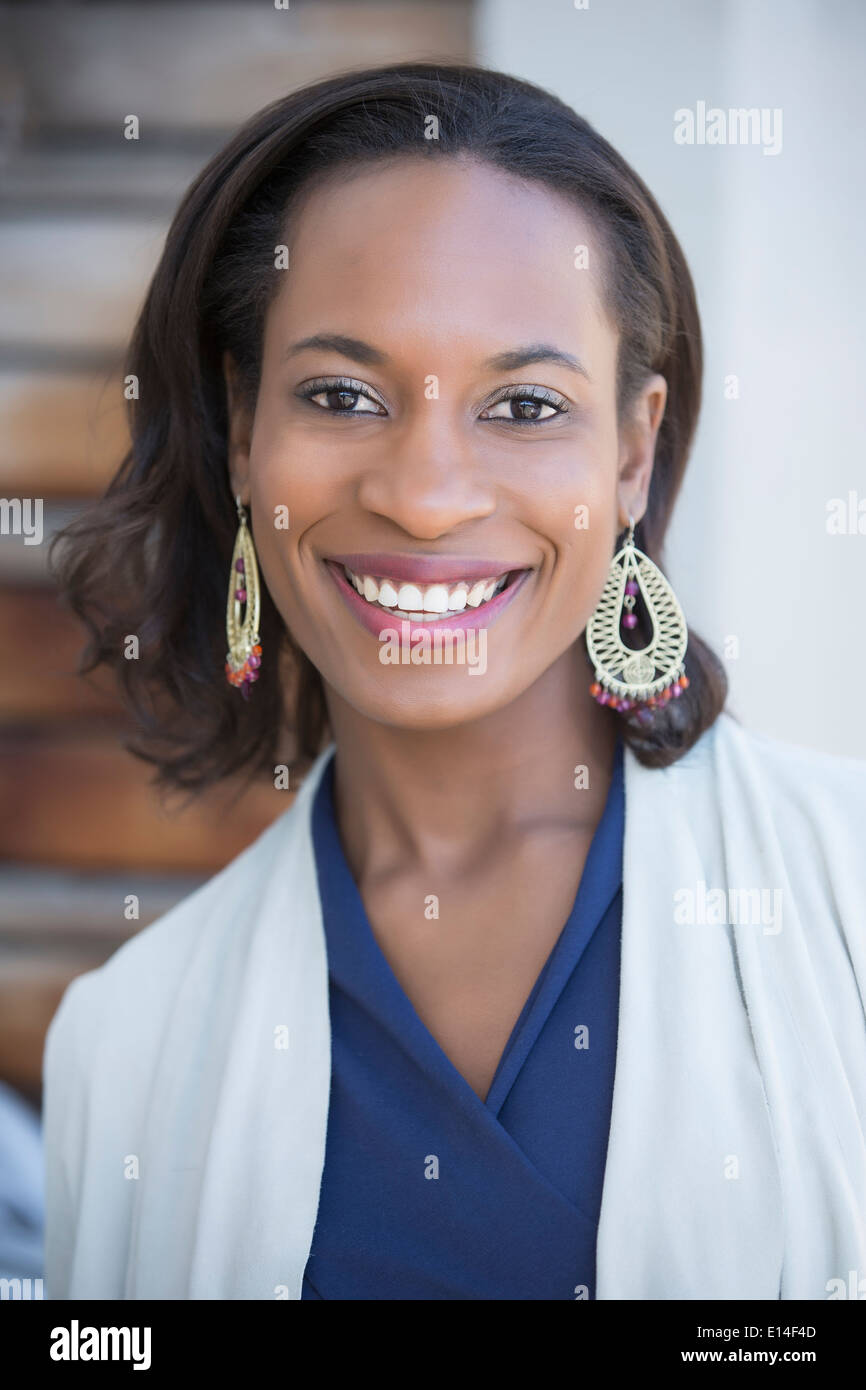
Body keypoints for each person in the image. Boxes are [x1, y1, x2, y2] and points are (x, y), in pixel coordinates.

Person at [44, 62, 866, 1300]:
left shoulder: (846, 897)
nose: (424, 496)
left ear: (632, 452)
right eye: (339, 394)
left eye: (524, 404)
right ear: (243, 423)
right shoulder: (124, 1045)